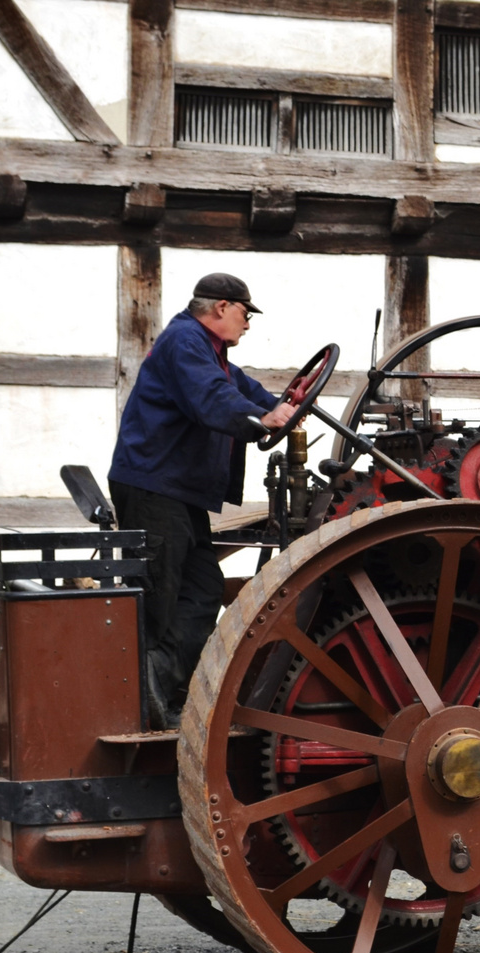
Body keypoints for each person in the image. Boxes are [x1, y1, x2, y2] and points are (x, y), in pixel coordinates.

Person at [108, 273, 297, 727]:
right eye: (245, 313)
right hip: (155, 488)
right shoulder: (184, 342)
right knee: (162, 597)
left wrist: (286, 403)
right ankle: (139, 707)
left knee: (203, 589)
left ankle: (165, 694)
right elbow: (211, 398)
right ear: (221, 308)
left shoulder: (212, 356)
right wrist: (264, 418)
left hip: (177, 492)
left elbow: (240, 389)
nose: (248, 323)